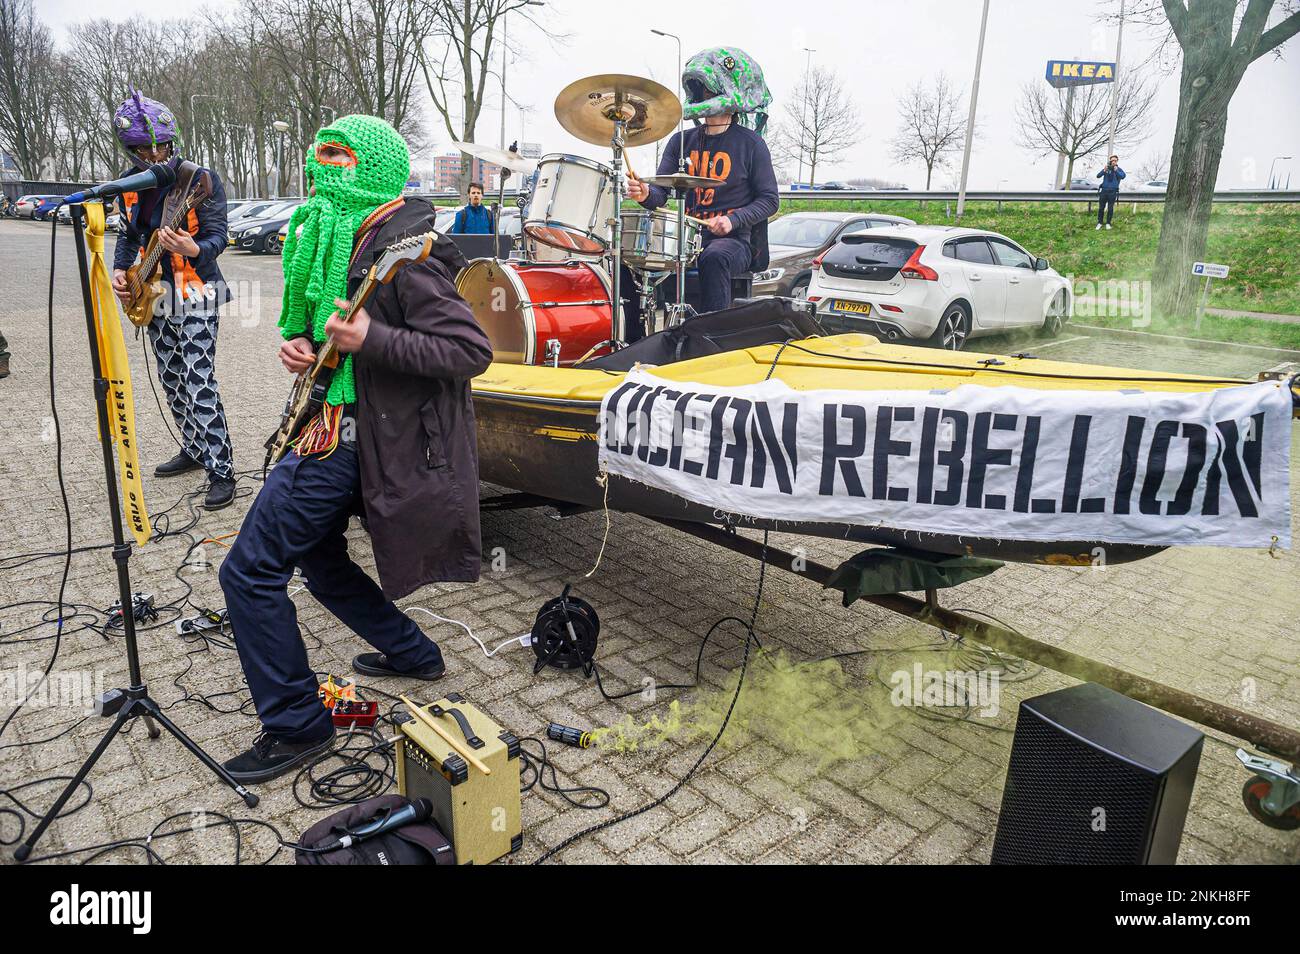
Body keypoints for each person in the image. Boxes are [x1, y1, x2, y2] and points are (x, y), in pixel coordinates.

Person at [217, 115, 493, 784]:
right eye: (320, 155)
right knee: (318, 557)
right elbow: (340, 337)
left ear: (371, 167)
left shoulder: (408, 255)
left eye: (338, 156)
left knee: (247, 572)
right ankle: (414, 652)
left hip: (353, 438)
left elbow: (470, 351)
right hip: (339, 420)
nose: (322, 166)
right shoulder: (353, 234)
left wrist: (372, 340)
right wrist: (306, 349)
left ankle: (297, 724)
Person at [109, 92, 237, 509]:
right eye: (144, 148)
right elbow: (129, 237)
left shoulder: (199, 180)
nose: (154, 154)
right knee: (171, 378)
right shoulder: (129, 186)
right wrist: (121, 270)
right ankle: (193, 449)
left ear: (172, 142)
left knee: (199, 379)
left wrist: (194, 248)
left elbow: (219, 235)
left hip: (197, 291)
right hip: (155, 295)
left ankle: (222, 469)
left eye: (160, 146)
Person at [624, 46, 778, 322]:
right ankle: (636, 339)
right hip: (683, 240)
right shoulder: (680, 141)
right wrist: (645, 193)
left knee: (714, 256)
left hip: (732, 241)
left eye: (710, 91)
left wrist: (733, 220)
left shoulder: (751, 144)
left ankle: (710, 339)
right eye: (701, 90)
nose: (705, 95)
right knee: (627, 259)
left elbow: (769, 200)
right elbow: (662, 192)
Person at [1096, 154, 1125, 230]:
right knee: (1101, 208)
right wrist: (1104, 170)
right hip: (1104, 191)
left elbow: (1123, 176)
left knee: (1110, 208)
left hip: (1113, 192)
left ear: (1117, 161)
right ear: (1110, 161)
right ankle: (1100, 223)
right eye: (1112, 160)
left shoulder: (1119, 169)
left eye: (1115, 160)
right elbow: (1098, 176)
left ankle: (1108, 223)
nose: (1113, 162)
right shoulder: (1107, 168)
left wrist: (1116, 170)